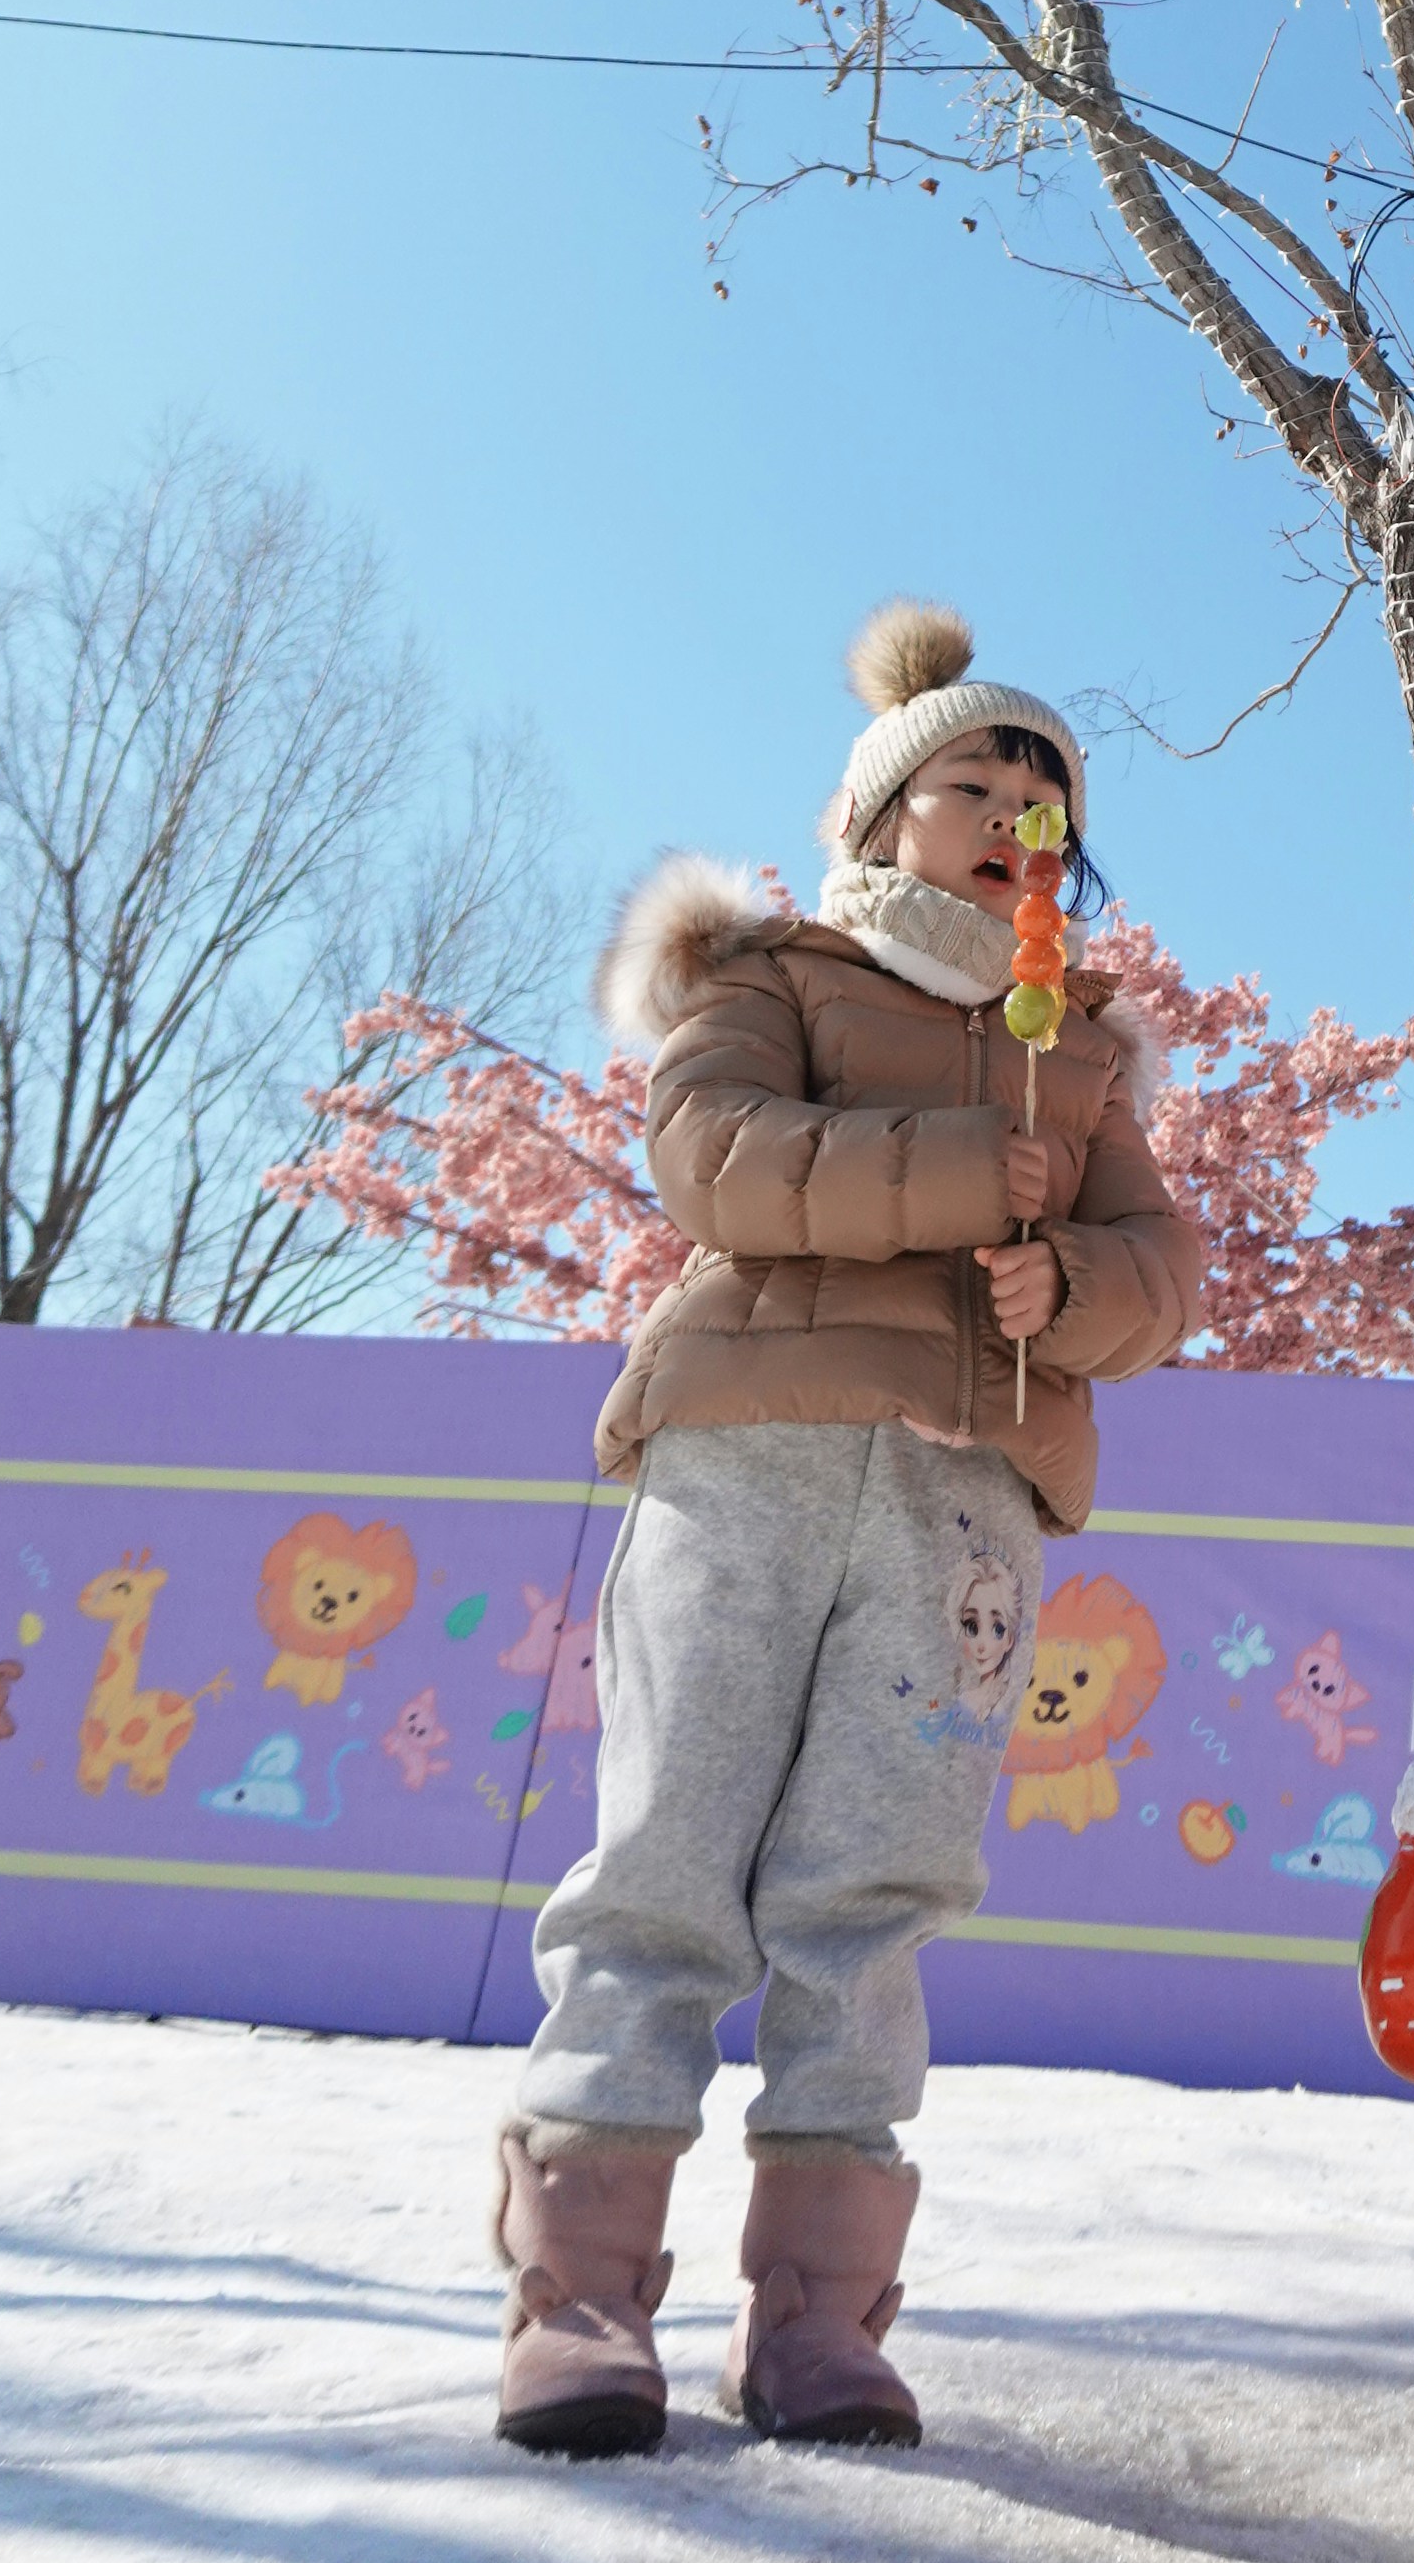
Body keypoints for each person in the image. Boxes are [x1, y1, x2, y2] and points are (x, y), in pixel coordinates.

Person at [489, 597, 1200, 2459]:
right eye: (978, 782)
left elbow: (1167, 1269)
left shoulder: (1089, 1049)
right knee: (667, 1855)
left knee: (871, 1898)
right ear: (882, 813)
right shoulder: (775, 975)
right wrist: (971, 1175)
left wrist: (1080, 1286)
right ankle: (578, 2297)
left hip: (964, 1484)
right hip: (753, 1441)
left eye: (1047, 801)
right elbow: (714, 1163)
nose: (1014, 820)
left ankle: (812, 2316)